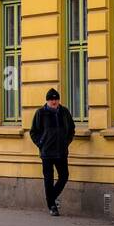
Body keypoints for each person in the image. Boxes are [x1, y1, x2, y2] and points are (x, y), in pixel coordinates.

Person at [30, 88, 75, 217]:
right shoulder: (41, 113)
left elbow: (71, 128)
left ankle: (50, 199)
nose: (54, 101)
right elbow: (33, 132)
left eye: (56, 99)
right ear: (47, 101)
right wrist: (41, 143)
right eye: (51, 99)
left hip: (61, 152)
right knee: (48, 179)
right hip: (47, 153)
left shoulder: (64, 112)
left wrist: (66, 141)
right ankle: (52, 206)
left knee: (64, 176)